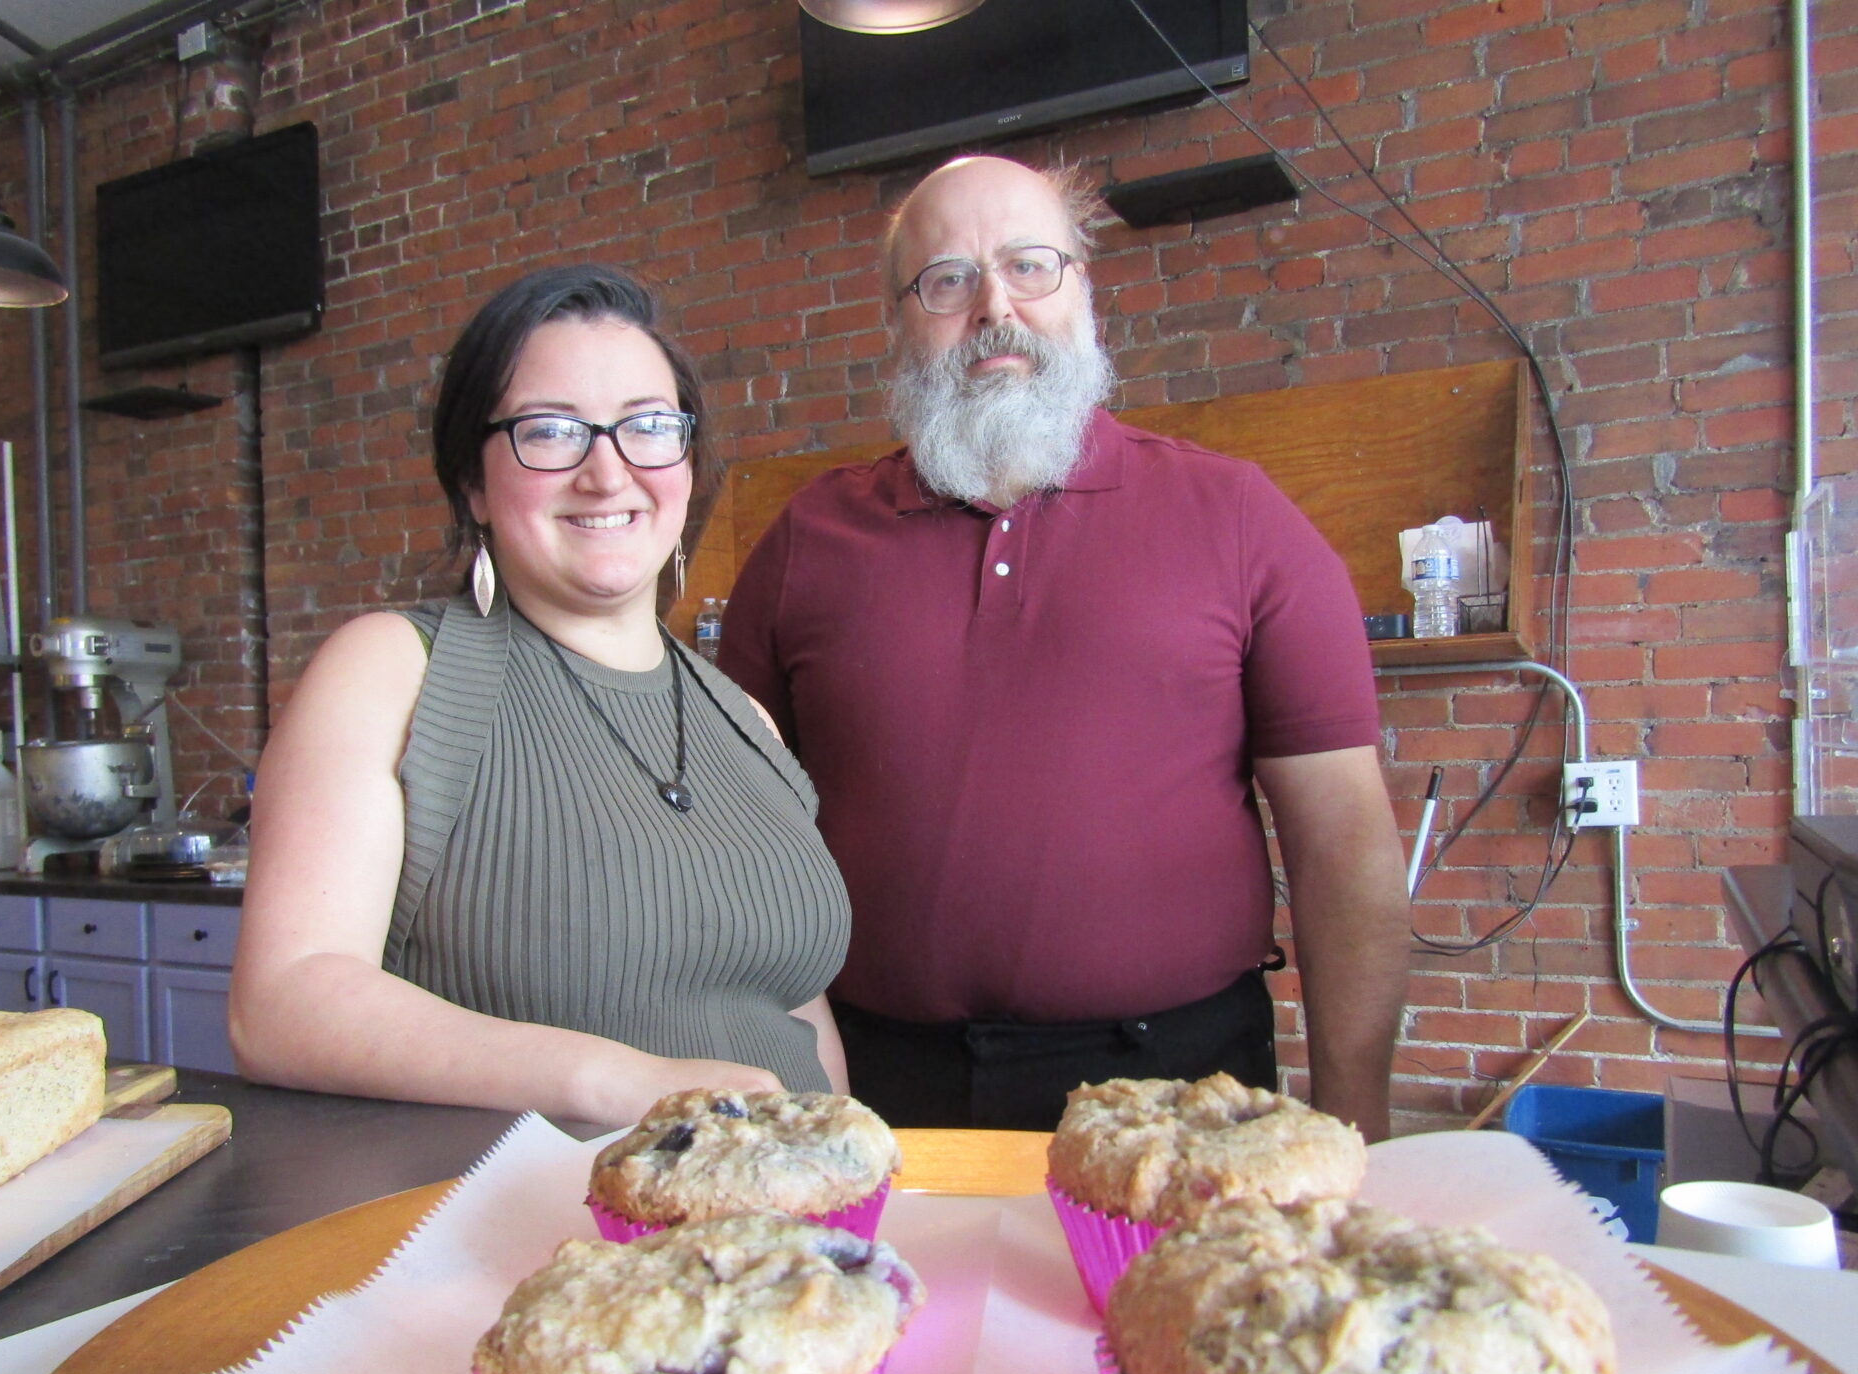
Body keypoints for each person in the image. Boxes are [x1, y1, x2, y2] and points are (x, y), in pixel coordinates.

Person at [718, 156, 1408, 1138]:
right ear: (899, 320)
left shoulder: (1239, 516)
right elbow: (722, 832)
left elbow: (1342, 844)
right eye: (947, 280)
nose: (994, 306)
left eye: (1028, 266)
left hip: (1177, 1093)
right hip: (873, 1093)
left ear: (1081, 287)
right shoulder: (803, 543)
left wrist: (1357, 1125)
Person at [229, 265, 851, 1125]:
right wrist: (618, 1084)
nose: (607, 472)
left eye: (648, 427)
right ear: (474, 485)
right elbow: (284, 1002)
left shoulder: (744, 719)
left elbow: (796, 1012)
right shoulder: (391, 670)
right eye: (552, 431)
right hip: (529, 1231)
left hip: (785, 1232)